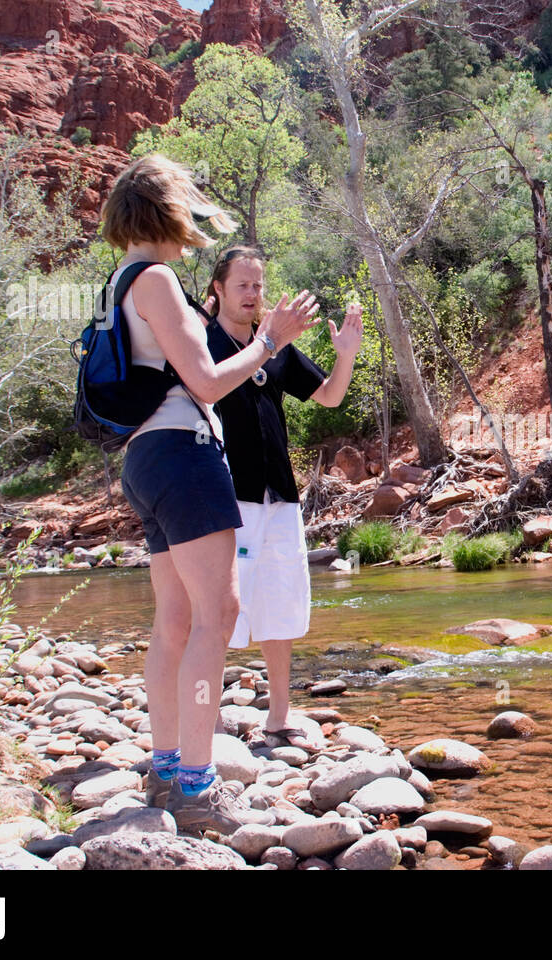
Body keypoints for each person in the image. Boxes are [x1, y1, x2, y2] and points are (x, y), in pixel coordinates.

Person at [100, 155, 319, 834]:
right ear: (167, 210)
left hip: (146, 460)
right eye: (187, 206)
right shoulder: (157, 279)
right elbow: (205, 382)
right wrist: (271, 341)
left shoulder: (120, 280)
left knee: (174, 618)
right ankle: (197, 784)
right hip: (184, 457)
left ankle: (167, 768)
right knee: (216, 615)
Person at [202, 245, 361, 740]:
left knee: (281, 604)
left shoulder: (275, 342)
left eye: (258, 284)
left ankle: (279, 715)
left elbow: (329, 396)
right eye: (242, 284)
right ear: (218, 288)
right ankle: (204, 719)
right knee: (217, 611)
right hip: (225, 495)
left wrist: (346, 355)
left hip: (279, 496)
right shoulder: (202, 342)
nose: (253, 293)